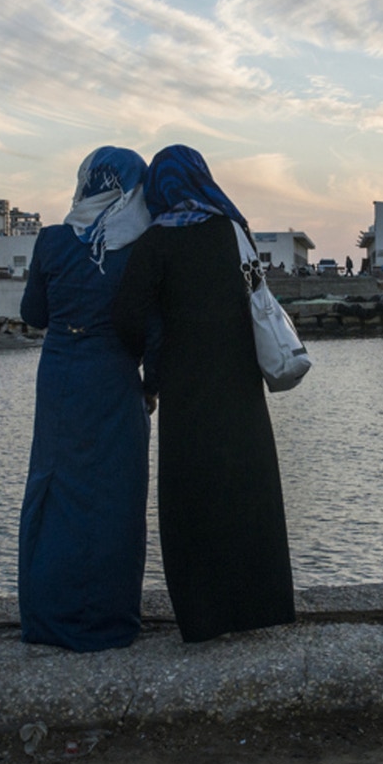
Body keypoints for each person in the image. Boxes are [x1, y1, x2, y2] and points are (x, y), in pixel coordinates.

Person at [112, 144, 296, 644]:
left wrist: (150, 375)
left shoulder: (155, 244)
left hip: (185, 391)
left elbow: (128, 317)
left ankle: (202, 616)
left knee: (191, 499)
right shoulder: (232, 230)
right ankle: (260, 605)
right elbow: (255, 297)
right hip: (239, 386)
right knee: (246, 492)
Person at [18, 146, 156, 652]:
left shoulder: (52, 240)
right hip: (115, 376)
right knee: (112, 496)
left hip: (58, 376)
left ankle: (46, 617)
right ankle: (104, 620)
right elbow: (146, 327)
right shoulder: (138, 245)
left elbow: (34, 313)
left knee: (55, 489)